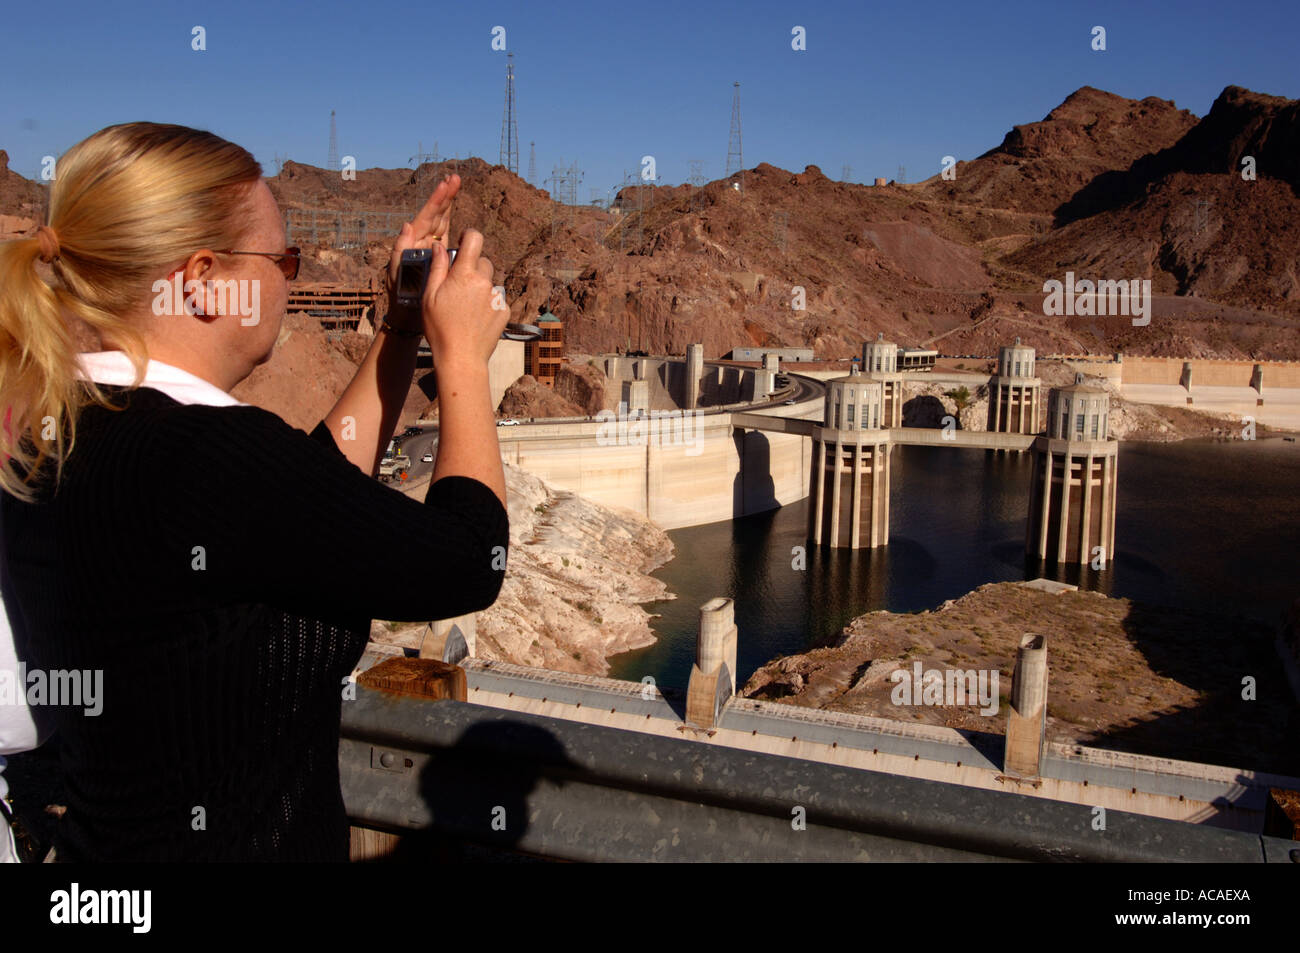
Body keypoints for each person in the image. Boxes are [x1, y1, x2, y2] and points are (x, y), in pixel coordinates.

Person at [0, 122, 510, 861]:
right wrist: (462, 354)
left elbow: (301, 499)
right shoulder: (209, 456)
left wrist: (402, 326)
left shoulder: (55, 432)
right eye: (283, 259)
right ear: (204, 279)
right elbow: (471, 555)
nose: (290, 279)